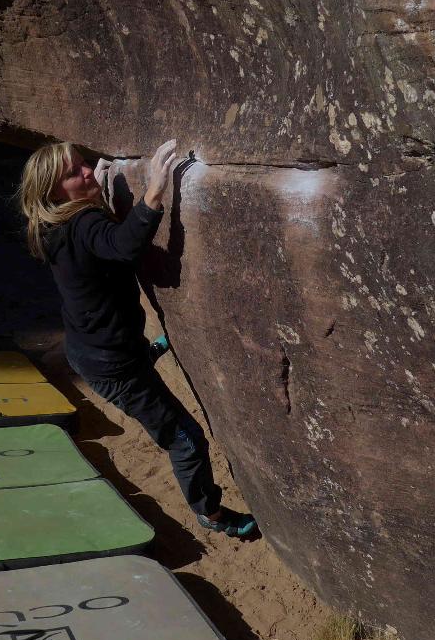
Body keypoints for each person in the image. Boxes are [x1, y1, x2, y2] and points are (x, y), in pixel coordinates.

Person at [18, 138, 258, 538]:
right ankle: (210, 513)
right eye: (74, 173)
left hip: (92, 349)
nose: (87, 171)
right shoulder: (83, 224)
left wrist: (93, 194)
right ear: (54, 192)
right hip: (114, 365)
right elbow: (122, 246)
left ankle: (146, 355)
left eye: (83, 163)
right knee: (186, 439)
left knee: (140, 367)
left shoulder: (51, 225)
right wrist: (154, 192)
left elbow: (97, 242)